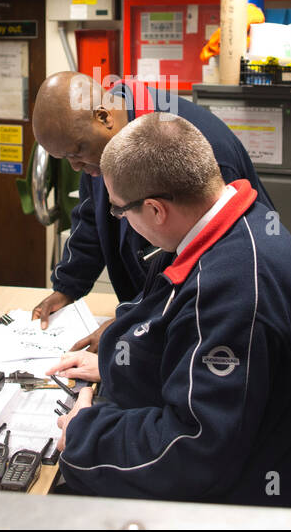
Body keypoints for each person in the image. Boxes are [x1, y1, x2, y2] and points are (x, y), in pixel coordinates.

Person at [48, 113, 291, 509]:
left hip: (250, 506)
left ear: (155, 210)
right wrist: (120, 364)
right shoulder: (229, 229)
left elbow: (193, 449)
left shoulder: (233, 289)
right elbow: (182, 336)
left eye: (119, 211)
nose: (120, 220)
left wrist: (87, 433)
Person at [30, 71, 271, 351]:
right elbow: (92, 218)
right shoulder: (99, 146)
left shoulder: (187, 149)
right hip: (156, 316)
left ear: (104, 117)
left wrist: (135, 317)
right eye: (65, 158)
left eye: (77, 152)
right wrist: (67, 288)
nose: (75, 166)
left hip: (222, 323)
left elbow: (215, 269)